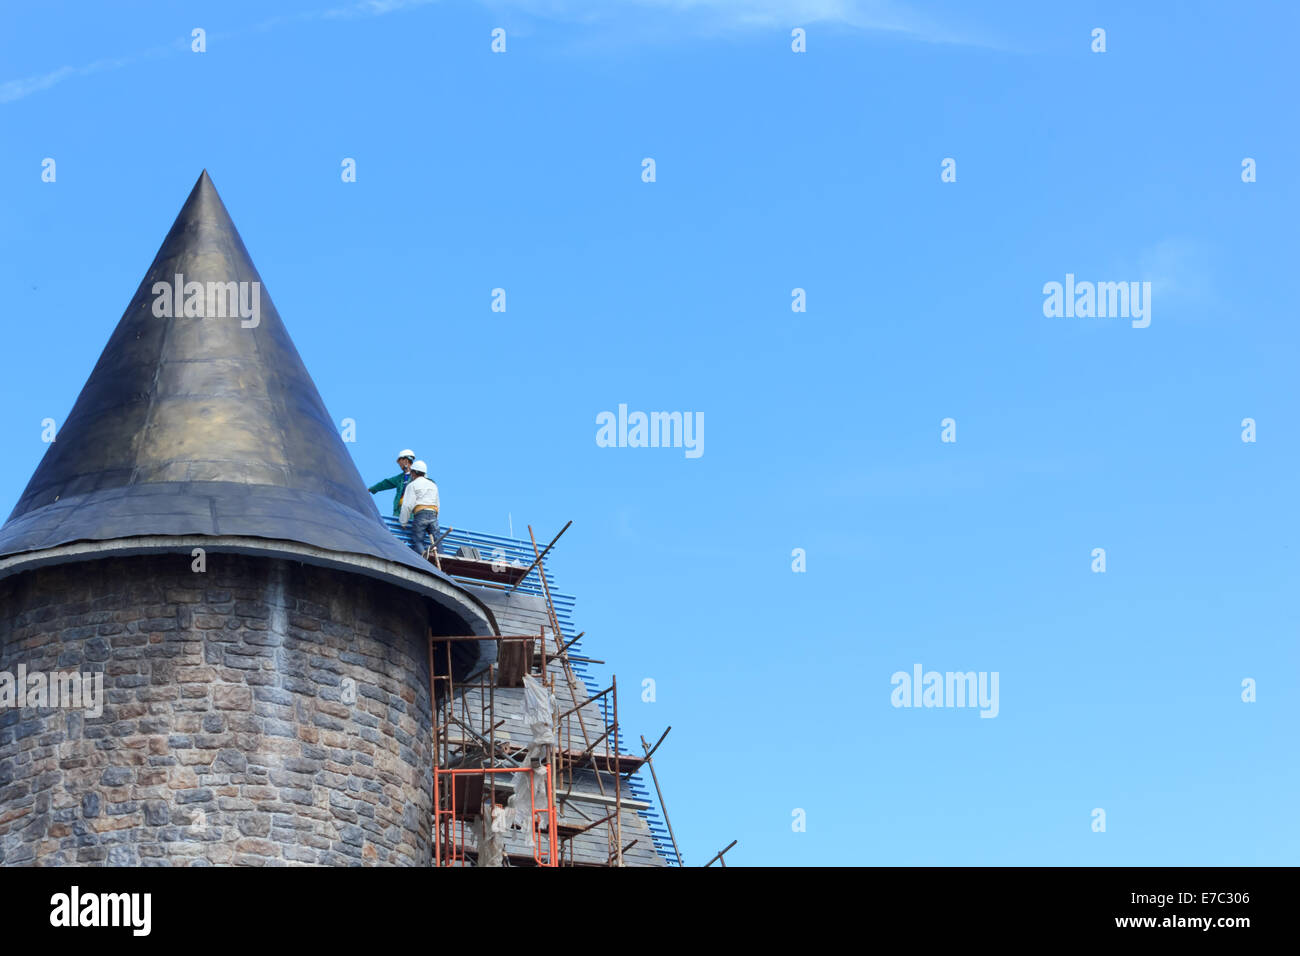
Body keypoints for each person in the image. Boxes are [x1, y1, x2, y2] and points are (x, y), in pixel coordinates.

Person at [399, 460, 440, 556]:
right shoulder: (433, 485)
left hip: (421, 515)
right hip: (433, 514)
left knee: (417, 540)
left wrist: (403, 522)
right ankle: (442, 559)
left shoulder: (412, 485)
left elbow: (407, 505)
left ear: (414, 473)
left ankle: (423, 558)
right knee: (437, 541)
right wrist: (435, 517)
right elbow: (437, 504)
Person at [368, 449, 416, 517]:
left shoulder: (418, 476)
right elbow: (386, 483)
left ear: (405, 460)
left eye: (400, 462)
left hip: (412, 512)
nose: (399, 465)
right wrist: (371, 489)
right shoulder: (400, 478)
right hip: (399, 511)